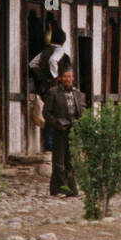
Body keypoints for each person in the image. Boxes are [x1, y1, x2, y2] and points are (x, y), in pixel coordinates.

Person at [43, 65, 84, 197]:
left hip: (73, 131)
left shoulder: (77, 93)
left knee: (70, 161)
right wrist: (56, 123)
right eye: (66, 76)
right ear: (61, 78)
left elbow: (81, 111)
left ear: (73, 78)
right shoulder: (53, 92)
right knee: (59, 161)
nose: (68, 79)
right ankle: (63, 188)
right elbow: (46, 113)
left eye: (70, 76)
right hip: (59, 131)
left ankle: (65, 189)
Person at [29, 27, 70, 151]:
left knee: (48, 113)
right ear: (63, 41)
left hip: (45, 89)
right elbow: (53, 61)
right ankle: (52, 144)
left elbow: (32, 64)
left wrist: (42, 75)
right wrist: (55, 77)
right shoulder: (59, 50)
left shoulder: (45, 51)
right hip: (56, 88)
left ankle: (48, 143)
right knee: (58, 113)